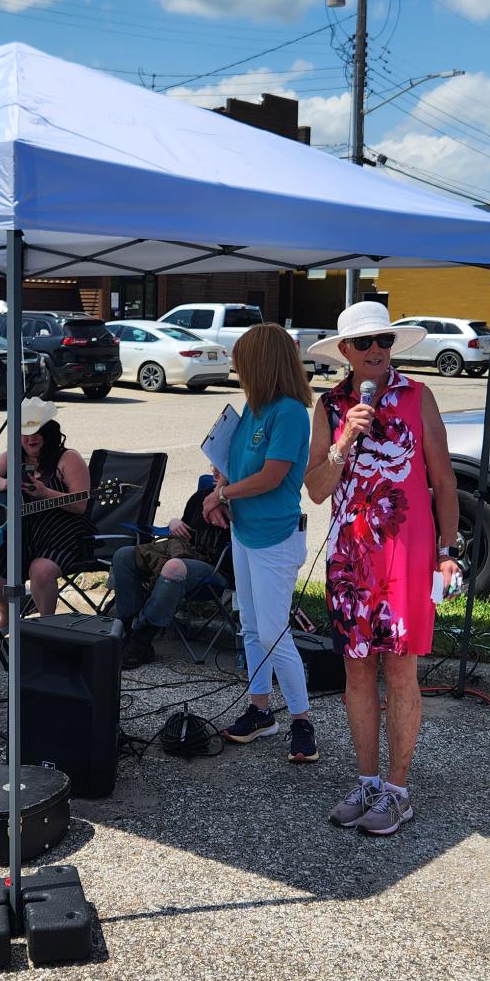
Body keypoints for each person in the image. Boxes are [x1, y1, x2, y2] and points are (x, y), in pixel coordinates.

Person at [305, 301, 462, 836]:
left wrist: (448, 548)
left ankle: (398, 790)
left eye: (384, 341)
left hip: (408, 554)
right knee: (356, 672)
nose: (376, 351)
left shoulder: (419, 396)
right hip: (351, 557)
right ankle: (367, 780)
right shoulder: (329, 406)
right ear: (344, 351)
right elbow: (318, 488)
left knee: (400, 670)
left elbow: (443, 479)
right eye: (365, 343)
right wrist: (345, 440)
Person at [209, 323, 317, 763]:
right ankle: (260, 711)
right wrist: (221, 480)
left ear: (261, 363)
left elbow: (272, 476)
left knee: (274, 632)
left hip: (275, 538)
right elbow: (238, 465)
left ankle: (302, 720)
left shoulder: (289, 412)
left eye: (241, 361)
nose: (236, 368)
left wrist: (222, 494)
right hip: (244, 532)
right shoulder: (254, 408)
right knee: (251, 625)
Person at [0, 396, 90, 630]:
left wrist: (45, 492)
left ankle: (46, 627)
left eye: (36, 432)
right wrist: (7, 484)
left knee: (41, 570)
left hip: (63, 534)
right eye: (25, 433)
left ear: (49, 433)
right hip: (24, 534)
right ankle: (9, 614)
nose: (30, 438)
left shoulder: (68, 458)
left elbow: (80, 505)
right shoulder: (13, 456)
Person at [110, 474, 233, 669]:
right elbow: (184, 532)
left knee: (173, 567)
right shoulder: (200, 496)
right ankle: (125, 629)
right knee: (123, 556)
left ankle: (141, 639)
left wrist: (226, 503)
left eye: (222, 469)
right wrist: (174, 522)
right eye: (214, 468)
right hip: (184, 557)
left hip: (217, 569)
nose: (216, 473)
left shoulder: (243, 502)